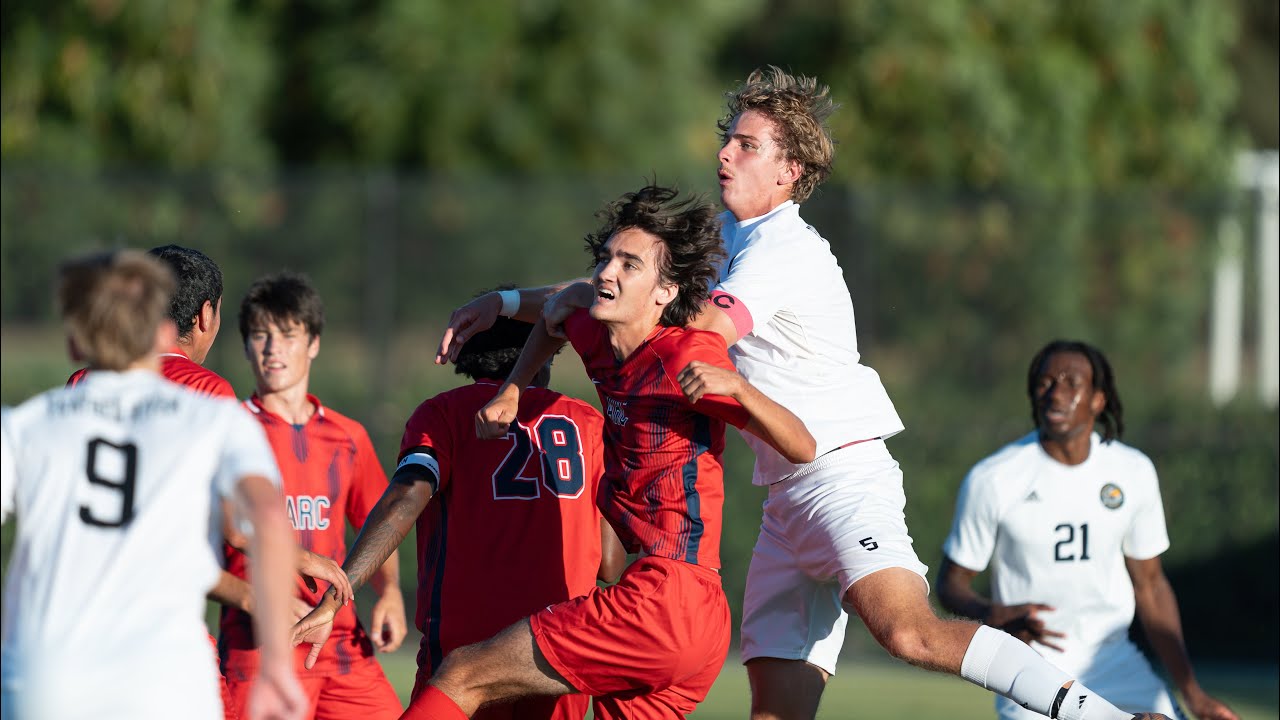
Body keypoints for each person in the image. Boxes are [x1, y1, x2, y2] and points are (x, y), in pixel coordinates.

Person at [434, 68, 1172, 720]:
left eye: (746, 145)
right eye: (729, 137)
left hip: (843, 477)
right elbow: (623, 292)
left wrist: (550, 300)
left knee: (910, 631)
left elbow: (687, 316)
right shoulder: (729, 239)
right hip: (789, 497)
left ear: (788, 171)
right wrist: (505, 302)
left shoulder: (786, 248)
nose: (724, 152)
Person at [305, 184, 816, 719]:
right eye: (606, 257)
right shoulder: (595, 329)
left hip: (666, 596)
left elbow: (802, 445)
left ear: (666, 292)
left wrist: (739, 390)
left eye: (629, 264)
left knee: (461, 673)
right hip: (695, 616)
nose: (607, 272)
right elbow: (559, 309)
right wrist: (512, 385)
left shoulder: (688, 351)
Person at [0, 250, 305, 720]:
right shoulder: (214, 416)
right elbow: (264, 519)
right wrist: (277, 669)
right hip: (164, 672)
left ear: (75, 344)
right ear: (165, 331)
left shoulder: (26, 425)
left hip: (49, 672)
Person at [289, 305, 626, 720]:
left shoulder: (444, 414)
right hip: (560, 652)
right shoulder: (589, 423)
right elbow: (610, 564)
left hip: (465, 658)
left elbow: (405, 498)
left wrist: (335, 596)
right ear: (538, 355)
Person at [62, 244, 350, 719]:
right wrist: (305, 560)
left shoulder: (82, 383)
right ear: (205, 315)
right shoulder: (207, 390)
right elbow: (236, 526)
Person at [938, 340, 1239, 720]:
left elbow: (1151, 585)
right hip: (1031, 667)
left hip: (1115, 660)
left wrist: (1193, 693)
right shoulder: (993, 478)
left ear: (1098, 400)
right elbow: (951, 584)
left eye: (1070, 382)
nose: (1055, 393)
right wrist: (989, 612)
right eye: (1045, 383)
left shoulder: (1133, 471)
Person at [218, 271, 404, 719]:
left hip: (342, 644)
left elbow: (378, 523)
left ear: (314, 343)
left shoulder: (348, 436)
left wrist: (391, 591)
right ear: (245, 347)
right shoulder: (226, 430)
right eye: (260, 336)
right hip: (260, 645)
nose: (272, 348)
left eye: (287, 334)